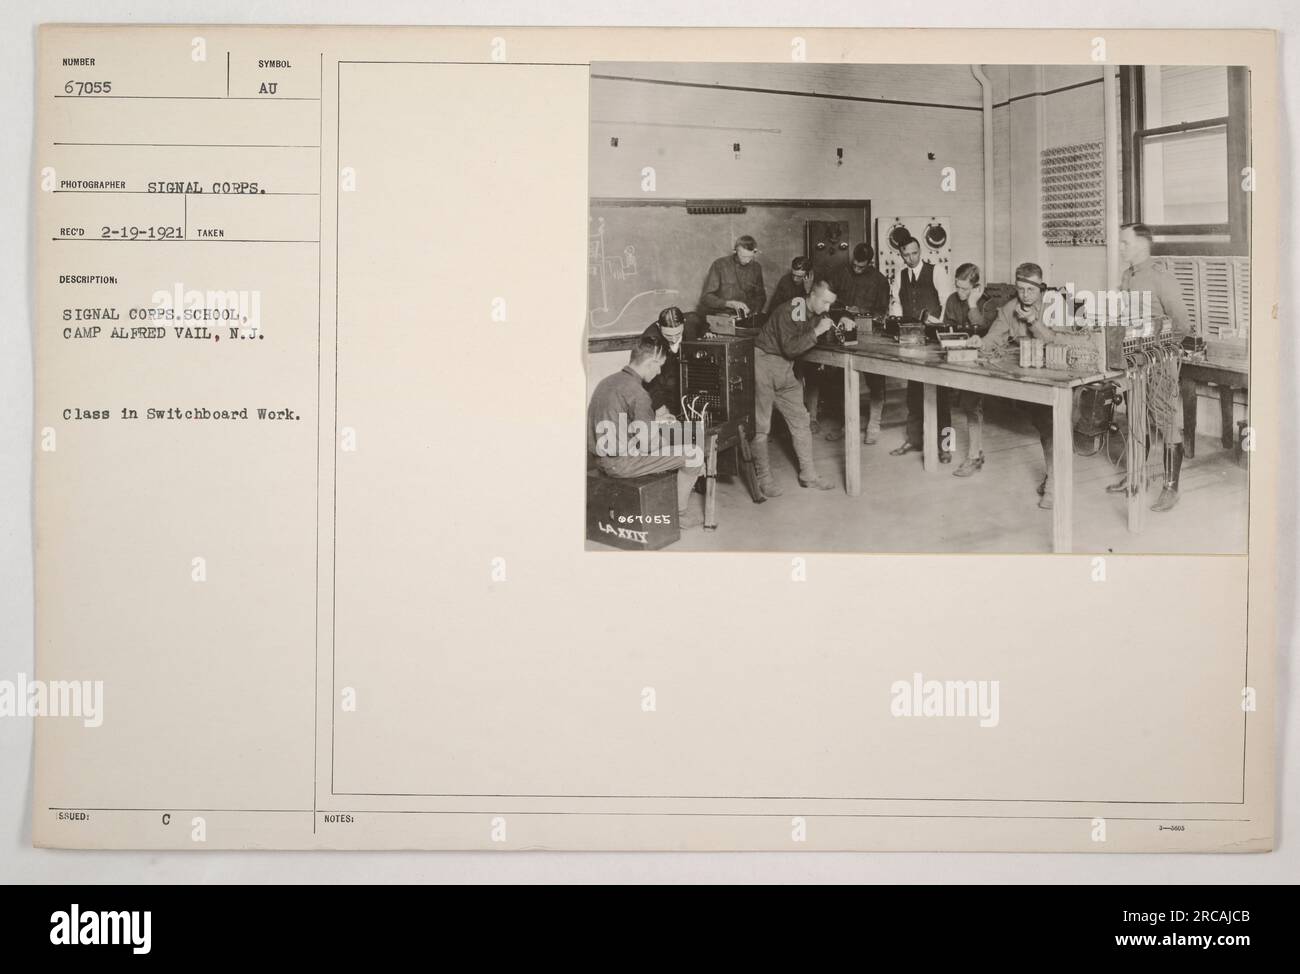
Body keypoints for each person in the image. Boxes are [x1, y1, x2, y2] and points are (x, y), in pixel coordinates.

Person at [1105, 223, 1194, 512]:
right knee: (1136, 418)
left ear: (1142, 246)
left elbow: (1181, 323)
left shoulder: (1161, 278)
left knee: (1166, 422)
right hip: (1134, 361)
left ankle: (1171, 488)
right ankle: (1135, 478)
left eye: (1124, 243)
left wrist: (1159, 353)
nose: (1120, 248)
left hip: (1158, 361)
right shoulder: (1127, 276)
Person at [588, 336, 704, 528]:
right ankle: (679, 514)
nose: (659, 373)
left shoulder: (608, 382)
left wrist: (654, 421)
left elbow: (616, 418)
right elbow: (651, 444)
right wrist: (674, 448)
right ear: (651, 363)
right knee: (694, 455)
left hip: (600, 458)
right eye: (659, 367)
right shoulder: (638, 393)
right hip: (620, 464)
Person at [968, 262, 1057, 509]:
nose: (1025, 295)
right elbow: (994, 335)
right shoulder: (1009, 308)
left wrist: (1034, 323)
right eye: (1020, 290)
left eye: (1031, 290)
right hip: (1028, 373)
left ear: (1041, 287)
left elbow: (1057, 342)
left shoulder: (1055, 305)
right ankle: (1053, 474)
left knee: (1049, 423)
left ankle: (1052, 484)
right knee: (1043, 422)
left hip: (1056, 373)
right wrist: (980, 342)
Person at [751, 279, 840, 495]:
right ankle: (764, 480)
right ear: (812, 295)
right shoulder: (794, 308)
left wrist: (840, 320)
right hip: (764, 363)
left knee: (801, 419)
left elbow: (801, 340)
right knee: (761, 426)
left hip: (784, 368)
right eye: (825, 302)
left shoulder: (813, 311)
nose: (827, 308)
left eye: (831, 304)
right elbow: (791, 348)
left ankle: (808, 475)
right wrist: (818, 331)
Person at [889, 236, 953, 462]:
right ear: (901, 255)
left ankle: (946, 446)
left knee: (941, 396)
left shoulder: (936, 271)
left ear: (920, 250)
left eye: (914, 253)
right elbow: (896, 300)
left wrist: (937, 322)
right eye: (906, 255)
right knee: (914, 393)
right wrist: (896, 319)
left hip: (935, 338)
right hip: (912, 338)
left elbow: (948, 301)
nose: (911, 258)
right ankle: (914, 439)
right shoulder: (901, 274)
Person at [826, 243, 890, 445]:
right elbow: (828, 298)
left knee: (876, 382)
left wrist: (861, 311)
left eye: (861, 266)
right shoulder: (840, 273)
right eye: (855, 264)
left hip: (869, 334)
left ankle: (874, 424)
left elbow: (882, 311)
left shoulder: (880, 281)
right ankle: (846, 424)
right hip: (843, 333)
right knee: (840, 381)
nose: (856, 268)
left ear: (870, 263)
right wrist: (843, 311)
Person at [768, 257, 827, 432]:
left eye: (799, 276)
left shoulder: (817, 284)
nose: (795, 279)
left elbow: (817, 313)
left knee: (813, 376)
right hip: (791, 339)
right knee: (795, 378)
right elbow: (776, 310)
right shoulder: (785, 283)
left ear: (808, 275)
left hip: (811, 336)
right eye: (794, 274)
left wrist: (808, 290)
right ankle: (799, 418)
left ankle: (813, 417)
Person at [943, 263, 987, 477]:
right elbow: (947, 327)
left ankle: (974, 457)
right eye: (958, 287)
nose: (960, 292)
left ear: (976, 287)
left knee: (971, 404)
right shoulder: (952, 299)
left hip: (980, 360)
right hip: (955, 357)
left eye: (965, 289)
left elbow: (984, 330)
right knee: (962, 404)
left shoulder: (986, 302)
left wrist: (972, 304)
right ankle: (972, 452)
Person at [640, 305, 699, 416]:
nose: (674, 339)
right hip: (661, 387)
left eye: (678, 334)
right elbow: (648, 378)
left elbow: (703, 325)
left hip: (686, 386)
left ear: (684, 323)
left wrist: (708, 333)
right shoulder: (650, 340)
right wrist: (659, 406)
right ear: (659, 326)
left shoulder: (693, 321)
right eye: (668, 335)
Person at [699, 234, 766, 318]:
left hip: (747, 317)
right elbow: (706, 298)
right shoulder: (720, 265)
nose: (747, 261)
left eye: (750, 257)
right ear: (735, 251)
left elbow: (761, 296)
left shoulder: (756, 267)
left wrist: (754, 311)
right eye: (744, 257)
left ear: (754, 252)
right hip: (722, 316)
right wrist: (728, 304)